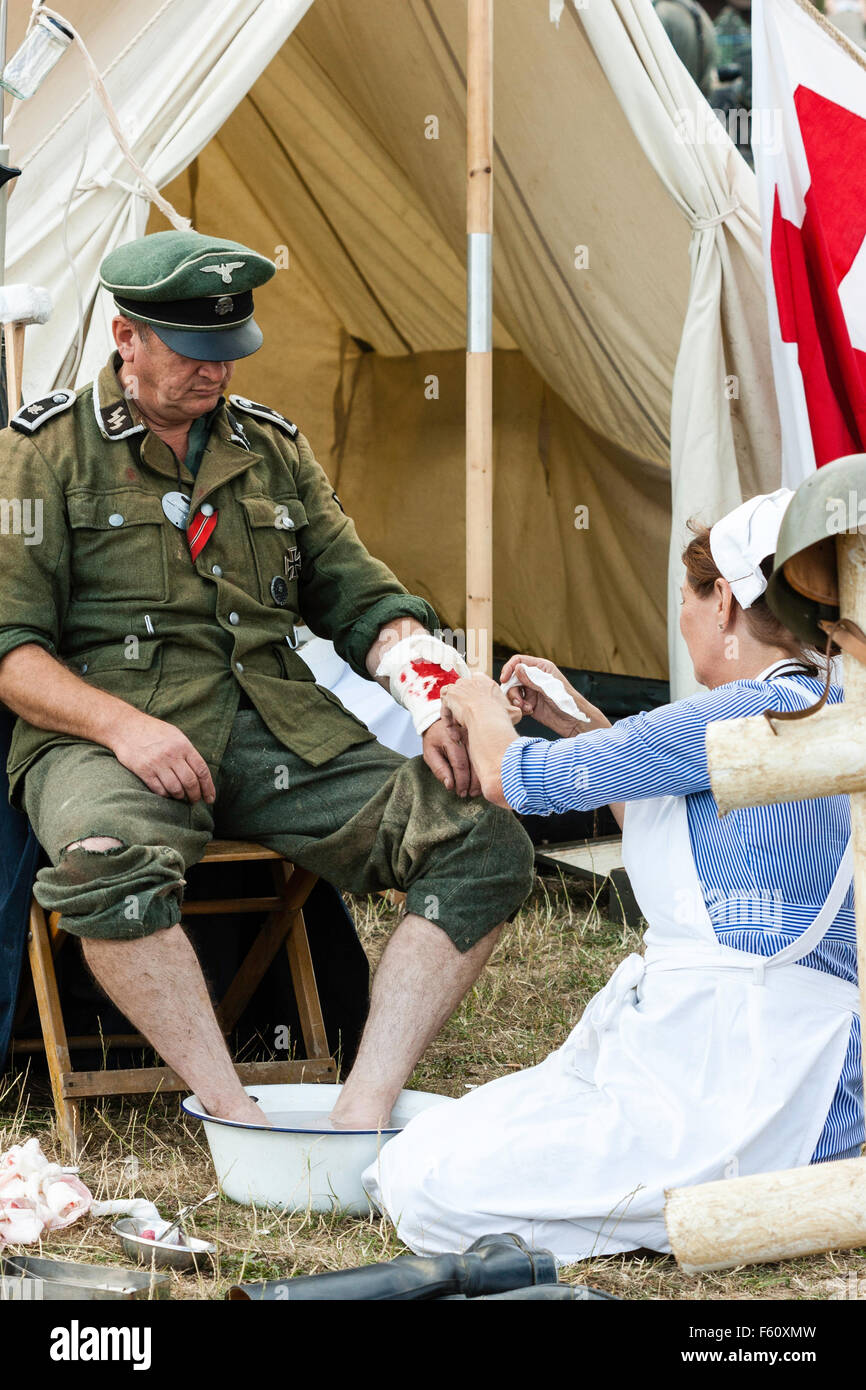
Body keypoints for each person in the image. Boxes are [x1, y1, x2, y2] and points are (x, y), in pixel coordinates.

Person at [0, 230, 534, 1130]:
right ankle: (229, 1109)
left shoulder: (271, 448)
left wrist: (430, 690)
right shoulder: (43, 452)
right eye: (192, 351)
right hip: (109, 739)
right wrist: (123, 729)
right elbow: (13, 654)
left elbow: (362, 597)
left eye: (229, 350)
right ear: (126, 336)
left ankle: (365, 1104)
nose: (216, 372)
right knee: (104, 869)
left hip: (280, 730)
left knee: (483, 841)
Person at [364, 491, 861, 1259]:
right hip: (748, 1046)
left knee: (432, 1183)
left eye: (687, 600)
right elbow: (681, 827)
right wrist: (582, 724)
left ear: (723, 601)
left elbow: (520, 782)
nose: (686, 618)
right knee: (425, 1152)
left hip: (740, 1067)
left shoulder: (733, 713)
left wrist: (473, 702)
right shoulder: (816, 701)